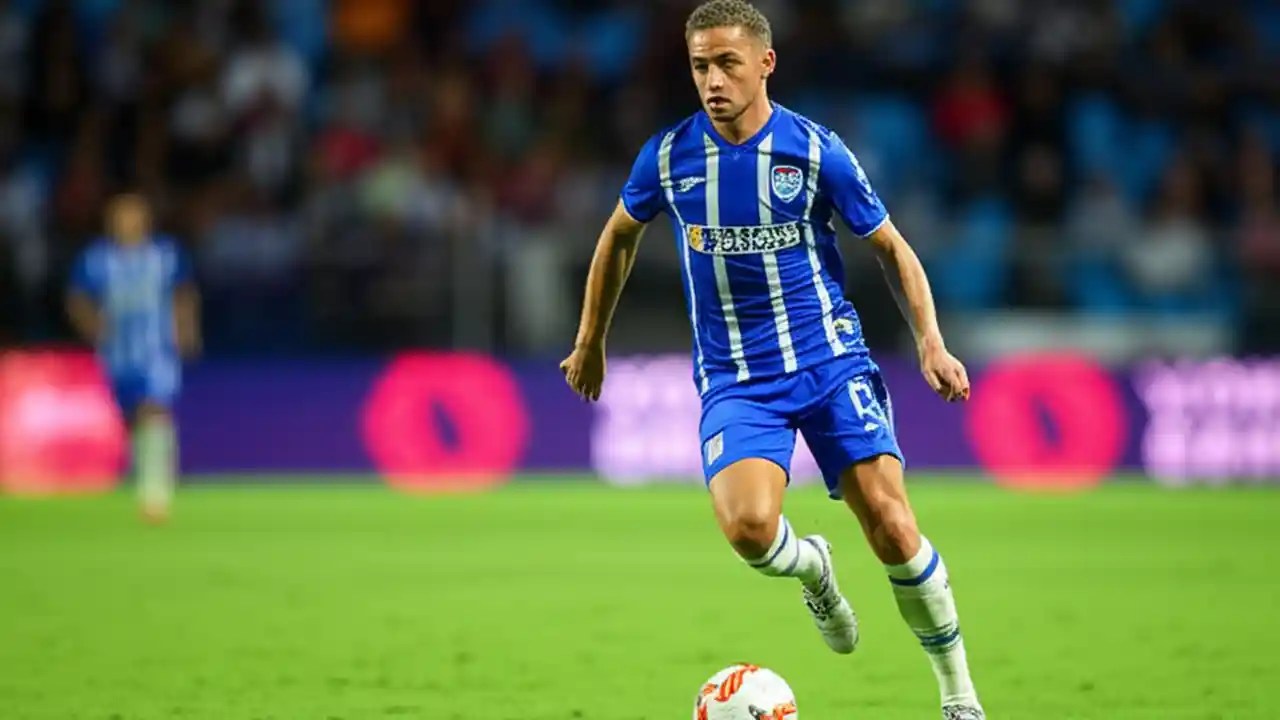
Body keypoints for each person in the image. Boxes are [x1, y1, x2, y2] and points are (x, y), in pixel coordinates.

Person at [559, 2, 984, 718]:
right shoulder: (667, 157)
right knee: (751, 533)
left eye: (727, 63)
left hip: (829, 362)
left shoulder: (815, 151)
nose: (712, 81)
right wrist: (590, 339)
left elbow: (892, 248)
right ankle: (814, 568)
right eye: (700, 66)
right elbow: (618, 237)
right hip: (737, 380)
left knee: (892, 526)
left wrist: (930, 341)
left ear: (765, 63)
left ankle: (959, 696)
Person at [67, 192, 200, 524]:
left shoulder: (165, 255)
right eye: (122, 216)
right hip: (117, 352)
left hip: (157, 349)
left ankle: (155, 493)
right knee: (132, 419)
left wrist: (186, 329)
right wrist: (91, 326)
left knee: (153, 408)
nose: (128, 222)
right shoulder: (96, 259)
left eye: (134, 215)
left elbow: (183, 293)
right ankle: (151, 470)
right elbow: (78, 298)